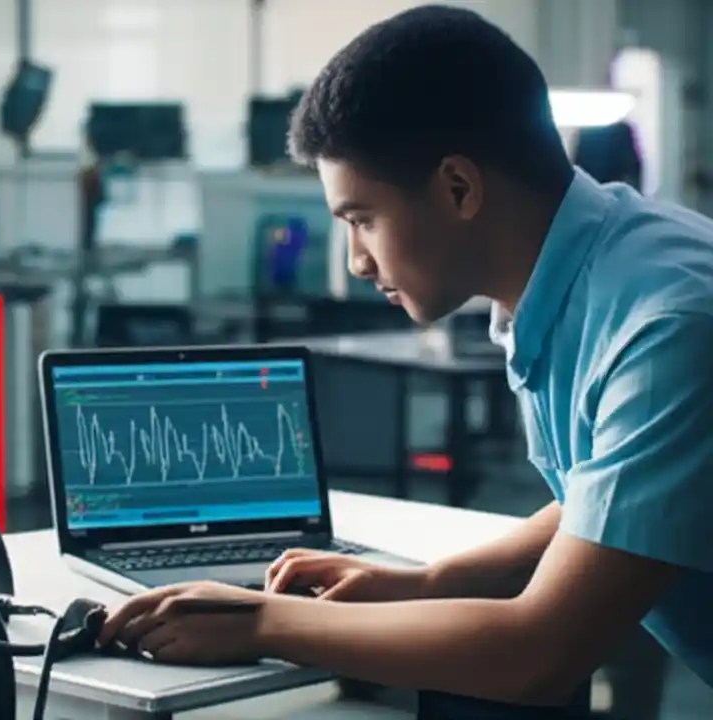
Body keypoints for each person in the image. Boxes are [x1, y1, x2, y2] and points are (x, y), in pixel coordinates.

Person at [96, 4, 713, 712]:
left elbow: (537, 652)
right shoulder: (597, 265)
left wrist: (263, 622)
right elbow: (604, 496)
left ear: (458, 187)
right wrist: (431, 581)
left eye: (361, 220)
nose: (356, 261)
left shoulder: (667, 327)